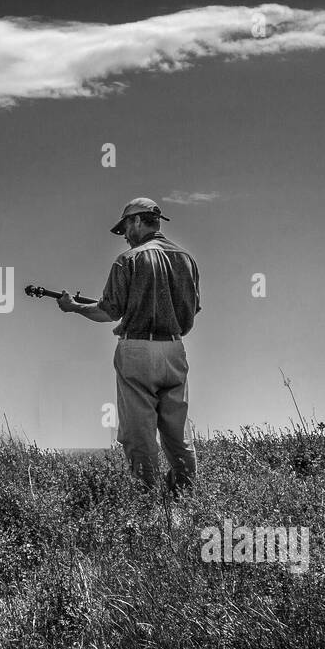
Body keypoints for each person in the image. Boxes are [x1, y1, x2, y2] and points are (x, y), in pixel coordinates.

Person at [58, 198, 201, 495]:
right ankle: (186, 500)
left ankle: (148, 501)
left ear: (137, 221)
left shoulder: (128, 260)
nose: (124, 234)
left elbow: (109, 311)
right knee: (177, 432)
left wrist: (74, 308)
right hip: (176, 349)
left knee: (138, 432)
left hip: (137, 349)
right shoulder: (187, 259)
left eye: (125, 226)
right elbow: (193, 309)